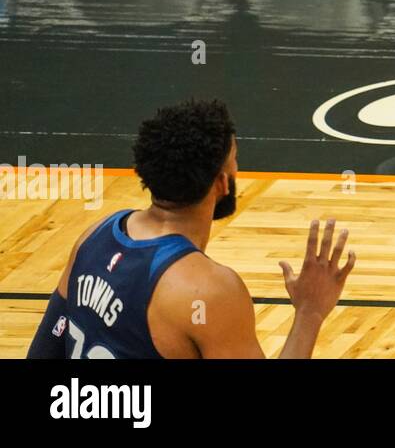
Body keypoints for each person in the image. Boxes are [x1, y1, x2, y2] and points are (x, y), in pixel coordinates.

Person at [27, 98, 355, 359]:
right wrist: (309, 313)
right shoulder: (209, 292)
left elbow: (46, 348)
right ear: (222, 183)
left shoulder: (94, 236)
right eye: (235, 160)